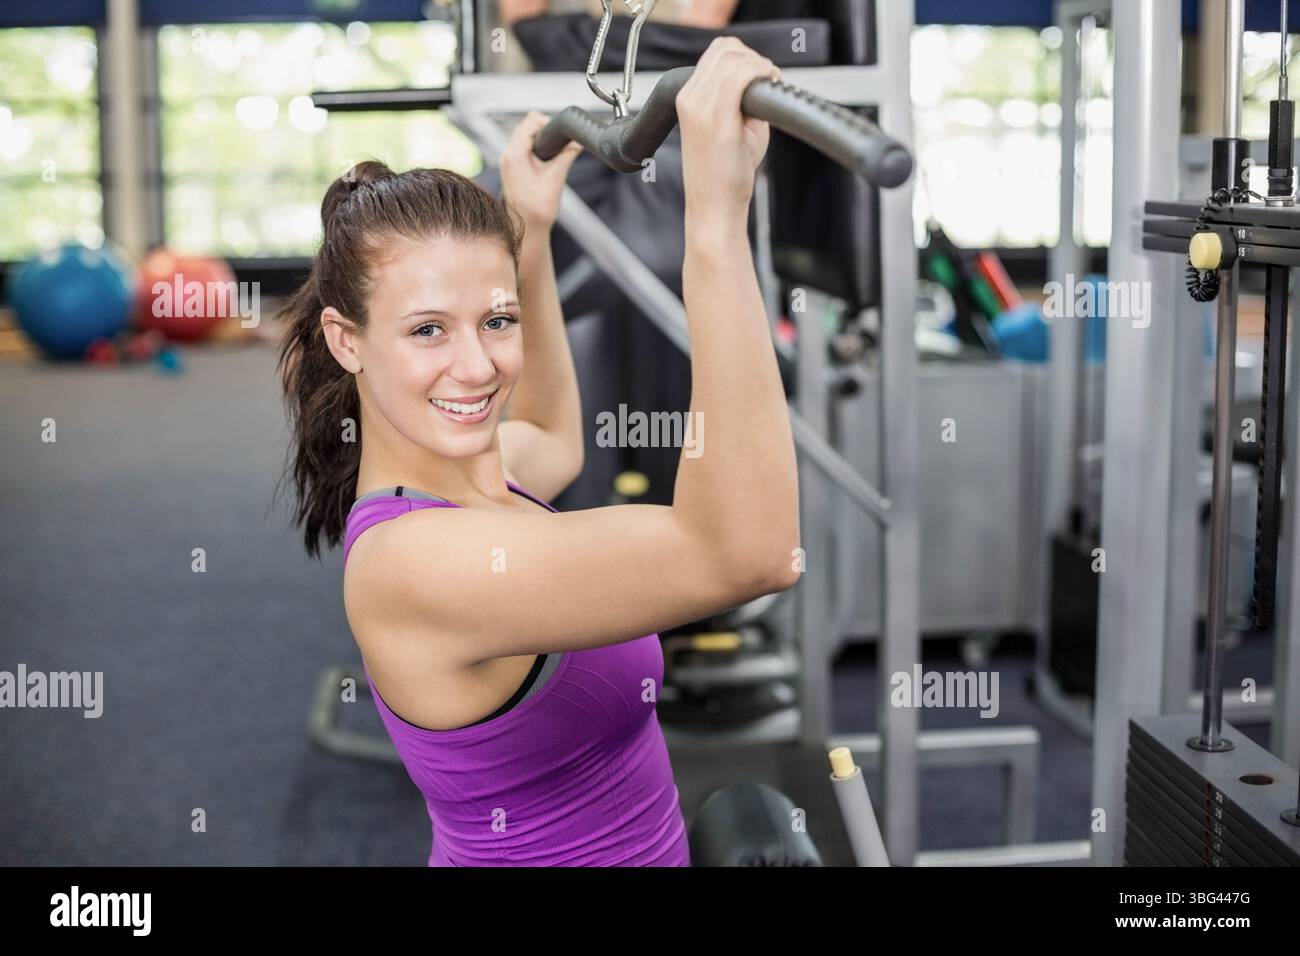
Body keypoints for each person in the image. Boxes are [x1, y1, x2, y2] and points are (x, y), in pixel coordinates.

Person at [277, 38, 799, 867]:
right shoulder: (416, 563)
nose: (477, 366)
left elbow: (555, 435)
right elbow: (751, 553)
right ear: (346, 340)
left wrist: (534, 231)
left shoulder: (473, 480)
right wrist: (715, 227)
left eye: (495, 320)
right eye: (426, 331)